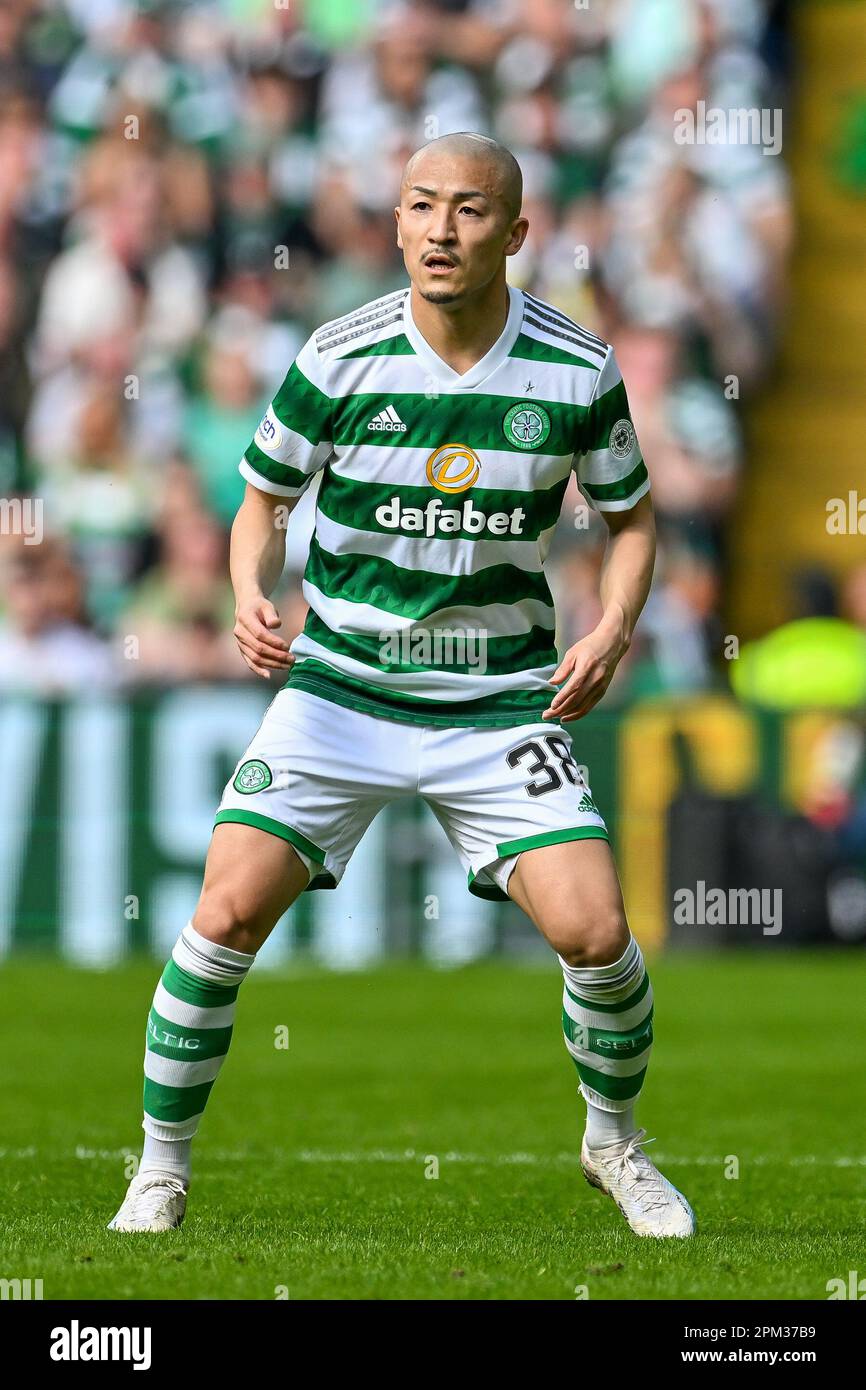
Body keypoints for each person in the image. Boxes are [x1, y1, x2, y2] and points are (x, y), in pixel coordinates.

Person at [108, 133, 694, 1239]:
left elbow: (630, 518)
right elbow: (260, 498)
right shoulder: (337, 355)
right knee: (223, 911)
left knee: (597, 934)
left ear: (514, 233)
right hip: (341, 690)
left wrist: (614, 625)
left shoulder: (575, 369)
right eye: (421, 206)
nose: (440, 230)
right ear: (393, 222)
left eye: (469, 211)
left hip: (499, 701)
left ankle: (611, 1145)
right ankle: (159, 1169)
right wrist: (248, 589)